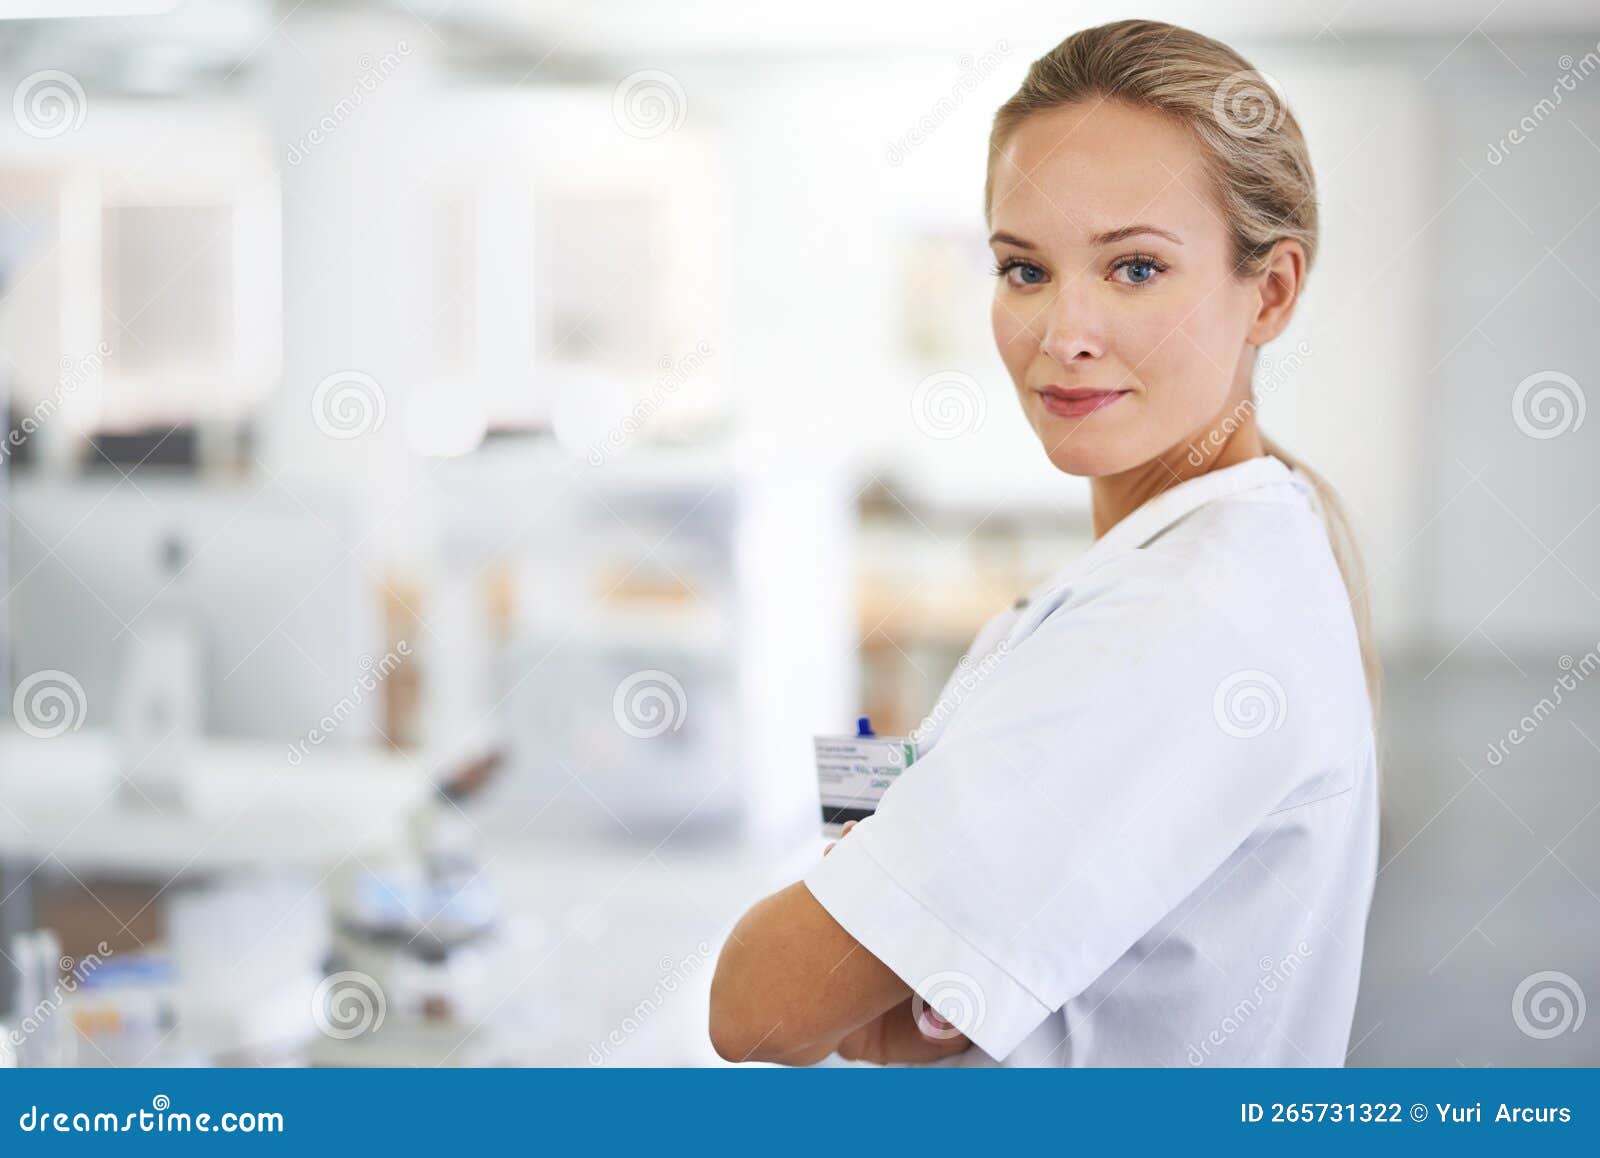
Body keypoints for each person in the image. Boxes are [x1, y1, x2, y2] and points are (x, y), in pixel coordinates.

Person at [710, 18, 1381, 1067]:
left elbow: (759, 1007)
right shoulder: (1212, 560)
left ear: (1273, 290)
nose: (1064, 330)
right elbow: (891, 1028)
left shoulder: (1182, 623)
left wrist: (875, 898)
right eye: (1024, 270)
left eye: (1136, 270)